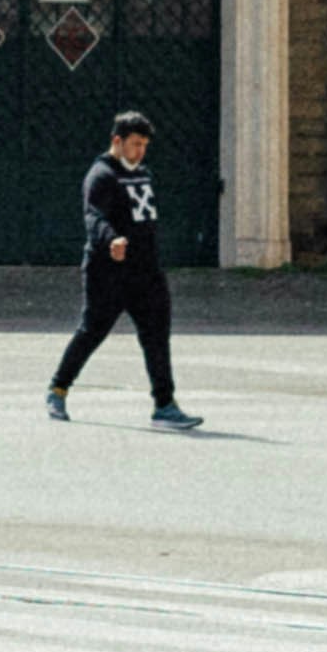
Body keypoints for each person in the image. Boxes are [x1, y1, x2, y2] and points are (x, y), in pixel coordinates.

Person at [46, 109, 197, 430]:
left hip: (147, 273)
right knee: (92, 331)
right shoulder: (101, 175)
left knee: (156, 337)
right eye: (135, 144)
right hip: (108, 273)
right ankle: (58, 389)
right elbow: (93, 218)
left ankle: (165, 406)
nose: (141, 151)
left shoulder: (142, 172)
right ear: (118, 141)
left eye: (144, 145)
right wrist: (111, 240)